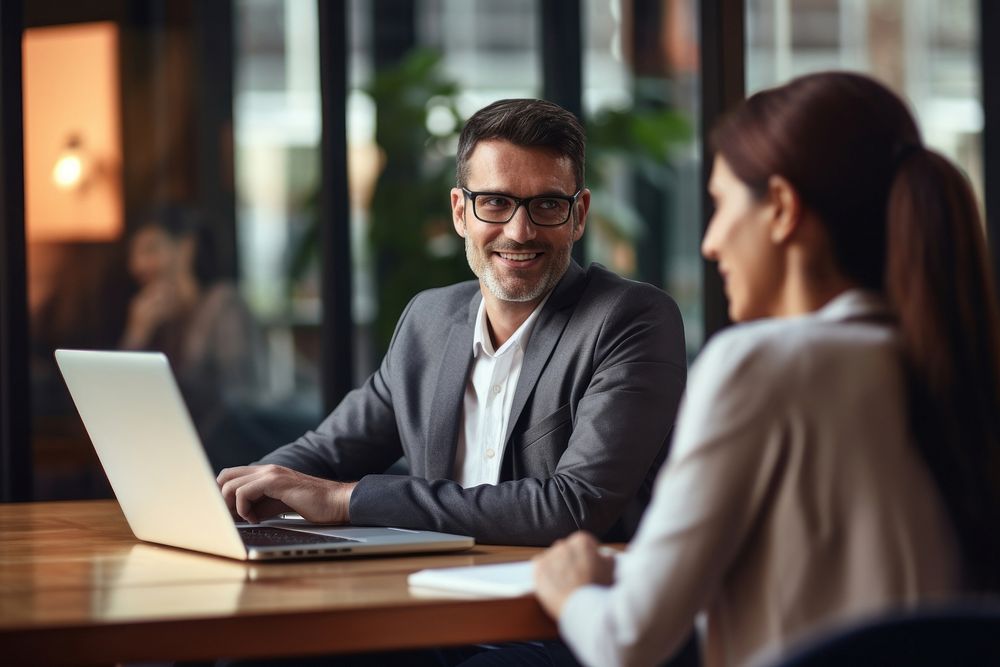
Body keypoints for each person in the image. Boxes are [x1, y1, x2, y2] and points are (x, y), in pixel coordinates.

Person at [534, 71, 1000, 667]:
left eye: (722, 205)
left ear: (780, 208)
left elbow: (626, 642)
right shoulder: (949, 353)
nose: (709, 242)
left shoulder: (757, 364)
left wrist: (572, 588)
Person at [216, 98, 687, 548]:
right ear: (460, 212)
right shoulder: (429, 319)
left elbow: (573, 506)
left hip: (564, 617)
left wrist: (344, 500)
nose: (520, 232)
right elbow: (325, 454)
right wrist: (240, 495)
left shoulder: (630, 320)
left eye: (546, 205)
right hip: (433, 599)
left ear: (578, 215)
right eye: (496, 203)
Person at [122, 205, 268, 470]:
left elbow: (239, 403)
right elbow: (123, 399)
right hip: (167, 457)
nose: (138, 265)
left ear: (186, 248)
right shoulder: (158, 321)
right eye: (135, 254)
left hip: (222, 466)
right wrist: (137, 333)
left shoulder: (222, 306)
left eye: (151, 250)